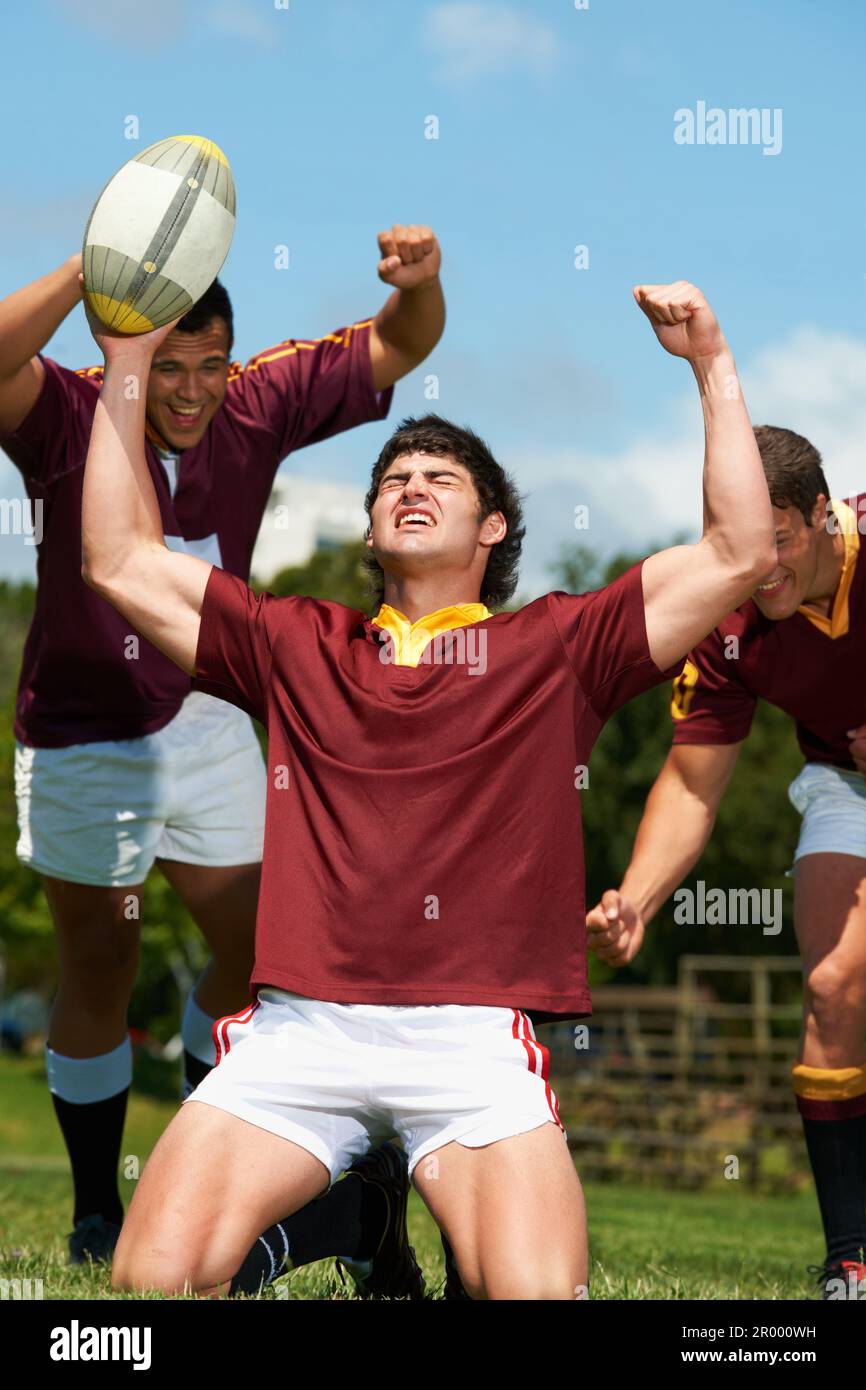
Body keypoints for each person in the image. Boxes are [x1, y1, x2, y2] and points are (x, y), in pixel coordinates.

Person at [80, 279, 775, 1300]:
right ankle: (364, 1203)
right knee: (154, 1282)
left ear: (492, 528)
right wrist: (129, 365)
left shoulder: (556, 648)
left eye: (439, 477)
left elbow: (736, 553)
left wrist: (710, 364)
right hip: (302, 1033)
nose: (409, 484)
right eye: (391, 476)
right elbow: (115, 556)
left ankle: (391, 1195)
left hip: (466, 1042)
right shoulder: (295, 641)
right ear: (367, 526)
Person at [0, 225, 444, 1264]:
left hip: (204, 719)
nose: (191, 393)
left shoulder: (257, 403)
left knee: (258, 955)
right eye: (168, 367)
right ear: (132, 353)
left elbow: (400, 343)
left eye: (210, 366)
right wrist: (88, 274)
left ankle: (208, 1174)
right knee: (99, 966)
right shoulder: (71, 410)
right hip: (80, 733)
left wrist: (422, 284)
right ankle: (93, 1208)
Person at [586, 427, 866, 1298]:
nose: (761, 564)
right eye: (742, 540)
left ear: (824, 515)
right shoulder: (726, 619)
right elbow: (693, 784)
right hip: (845, 781)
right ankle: (851, 1258)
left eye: (777, 537)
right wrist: (635, 901)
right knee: (831, 989)